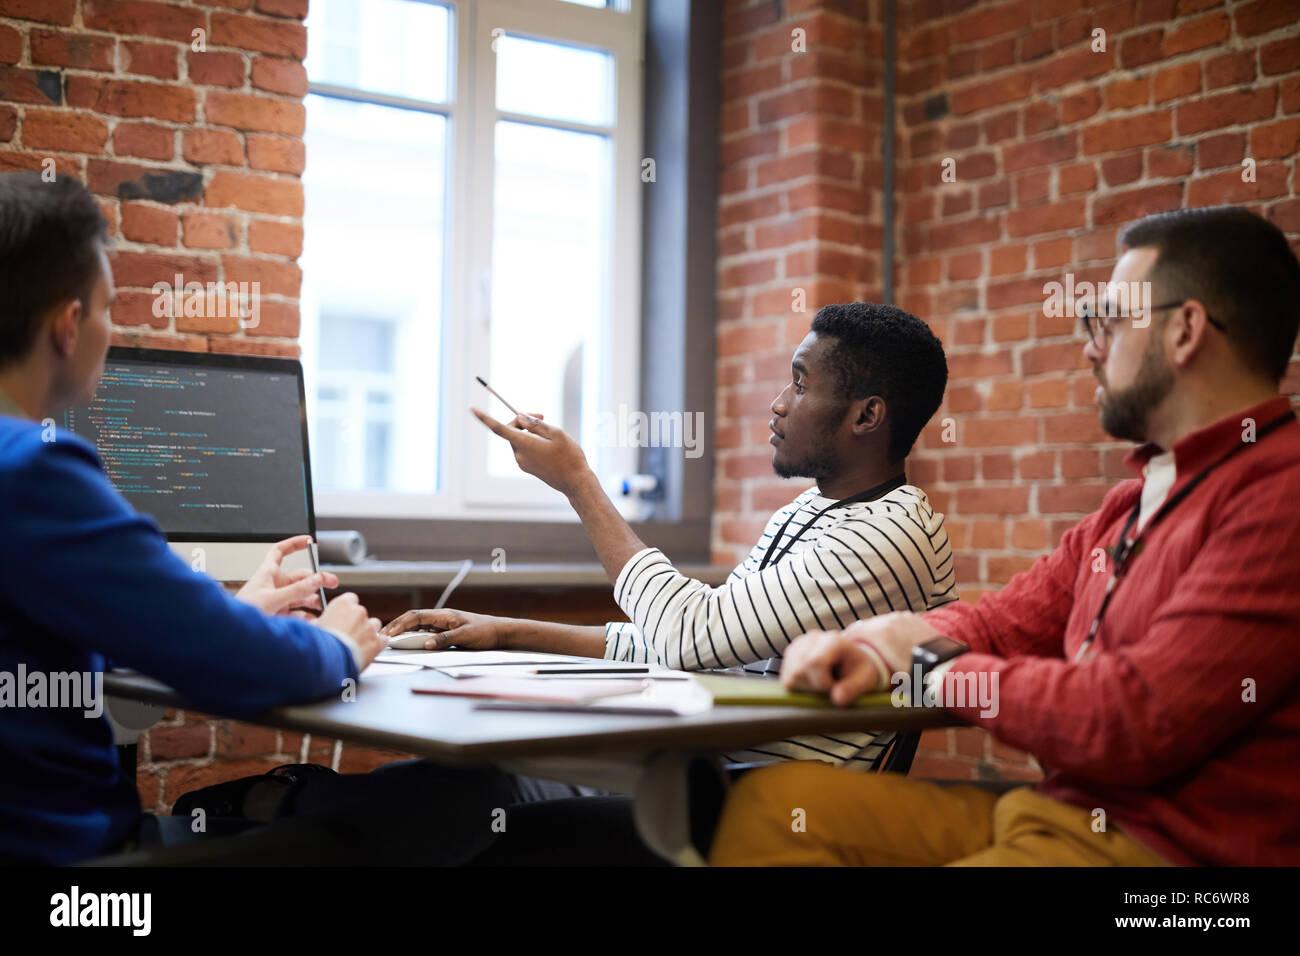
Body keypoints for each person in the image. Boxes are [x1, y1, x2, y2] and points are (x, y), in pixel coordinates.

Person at [709, 205, 1300, 867]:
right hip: (1054, 815)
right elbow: (998, 623)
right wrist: (881, 646)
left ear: (1186, 330)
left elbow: (1131, 719)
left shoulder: (1280, 496)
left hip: (1163, 857)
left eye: (1106, 321)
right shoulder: (1129, 505)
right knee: (773, 807)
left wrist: (932, 665)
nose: (1089, 346)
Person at [0, 172, 393, 864]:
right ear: (67, 326)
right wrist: (337, 646)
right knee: (354, 842)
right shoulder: (35, 469)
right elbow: (238, 669)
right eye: (106, 307)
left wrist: (233, 613)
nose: (109, 328)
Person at [384, 302, 955, 768]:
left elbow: (688, 637)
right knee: (448, 785)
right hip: (700, 772)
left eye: (801, 384)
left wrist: (579, 484)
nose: (778, 404)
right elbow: (706, 653)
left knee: (466, 792)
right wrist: (506, 633)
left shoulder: (885, 532)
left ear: (866, 416)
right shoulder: (810, 511)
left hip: (749, 802)